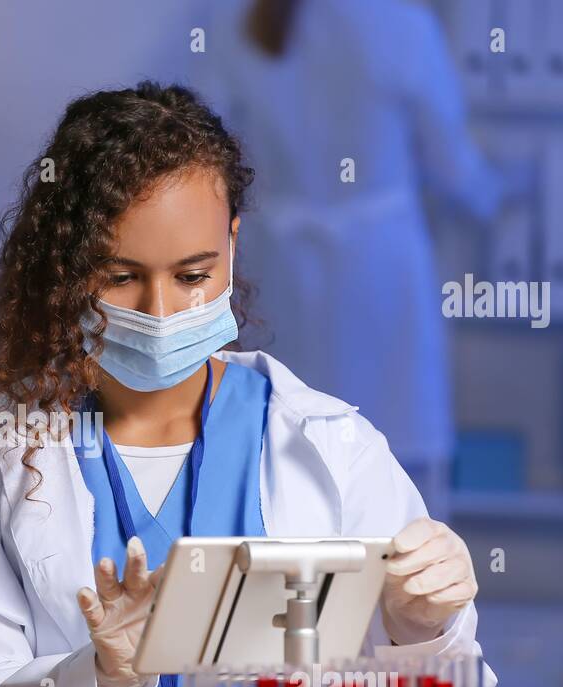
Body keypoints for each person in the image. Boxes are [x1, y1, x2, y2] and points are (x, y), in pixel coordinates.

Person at [0, 83, 492, 687]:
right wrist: (97, 679)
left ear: (231, 247)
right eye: (119, 277)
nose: (160, 311)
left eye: (192, 275)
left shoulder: (333, 446)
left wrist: (421, 632)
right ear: (67, 271)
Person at [194, 0, 509, 515]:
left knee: (284, 454)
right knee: (397, 456)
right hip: (378, 270)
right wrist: (503, 192)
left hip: (280, 269)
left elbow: (206, 150)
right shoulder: (401, 25)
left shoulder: (238, 22)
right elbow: (455, 169)